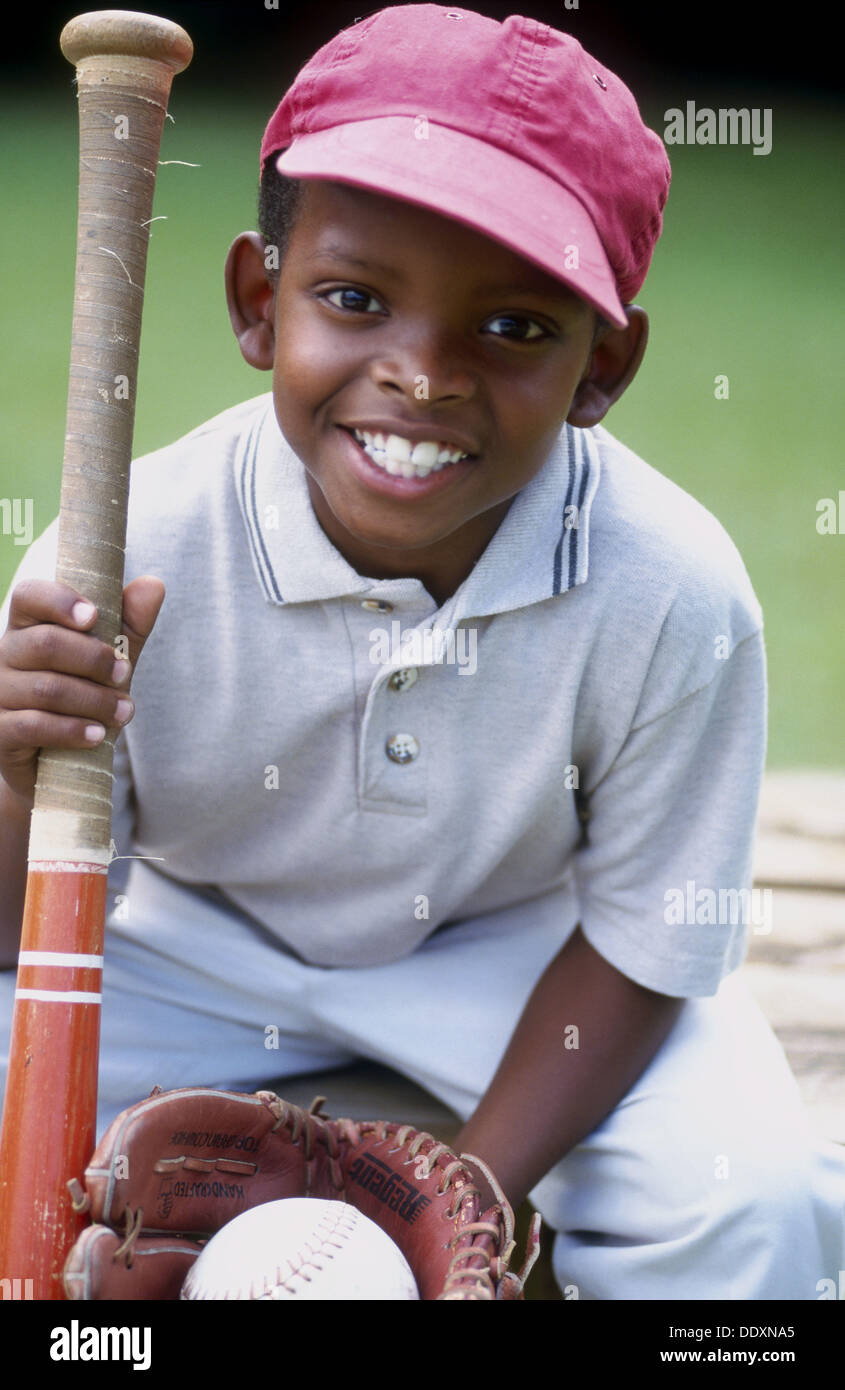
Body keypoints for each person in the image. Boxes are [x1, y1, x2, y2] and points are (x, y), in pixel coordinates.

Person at [1, 5, 842, 1300]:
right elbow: (25, 935)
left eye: (511, 328)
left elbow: (643, 944)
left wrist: (464, 1195)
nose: (426, 374)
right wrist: (13, 780)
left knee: (759, 1206)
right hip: (184, 945)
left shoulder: (672, 588)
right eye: (352, 298)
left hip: (513, 962)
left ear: (602, 364)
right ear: (254, 300)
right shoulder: (122, 543)